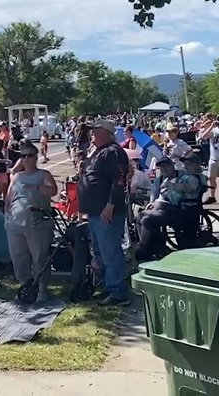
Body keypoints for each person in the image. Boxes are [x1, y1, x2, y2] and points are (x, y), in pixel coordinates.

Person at [78, 119, 131, 306]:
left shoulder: (113, 152)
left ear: (105, 132)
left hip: (106, 212)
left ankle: (118, 292)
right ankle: (109, 287)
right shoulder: (98, 152)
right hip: (94, 211)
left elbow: (119, 180)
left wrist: (110, 205)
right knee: (100, 252)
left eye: (95, 130)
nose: (92, 133)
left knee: (110, 252)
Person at [4, 143, 58, 301]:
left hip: (36, 223)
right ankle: (25, 287)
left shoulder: (43, 174)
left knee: (39, 257)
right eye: (23, 156)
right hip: (15, 224)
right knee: (19, 257)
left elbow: (53, 190)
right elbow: (9, 197)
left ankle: (41, 289)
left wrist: (37, 188)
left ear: (36, 157)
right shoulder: (17, 177)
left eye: (29, 155)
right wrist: (6, 214)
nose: (26, 159)